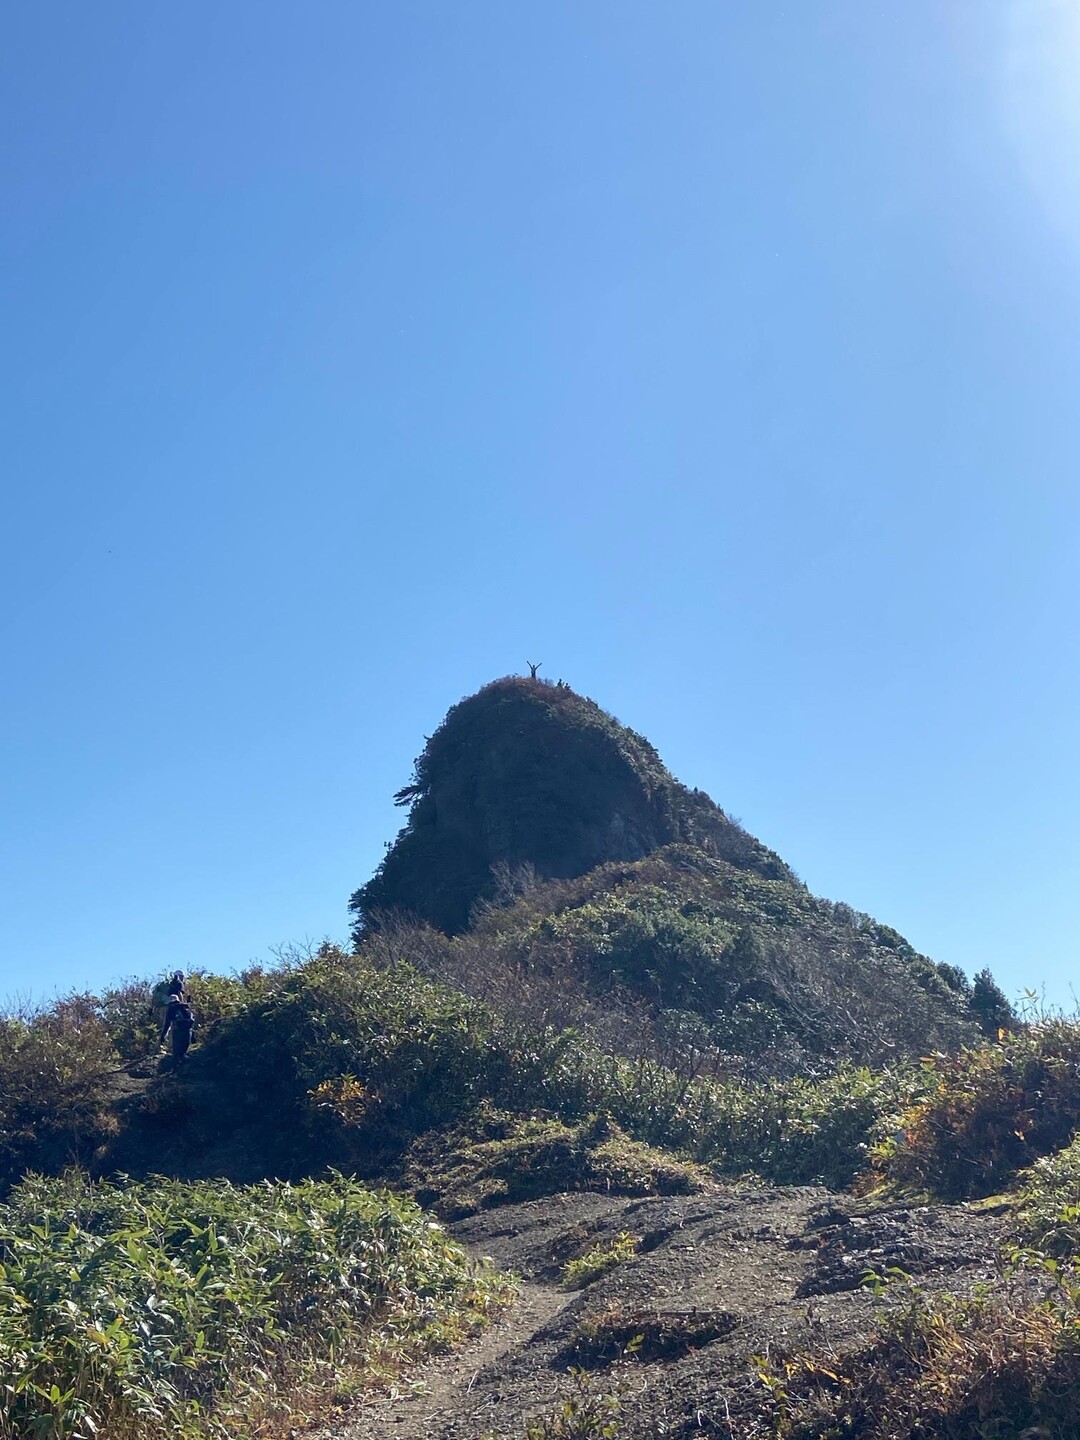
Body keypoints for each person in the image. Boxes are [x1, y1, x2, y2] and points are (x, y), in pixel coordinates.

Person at [160, 993, 195, 1063]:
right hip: (188, 1031)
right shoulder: (185, 1007)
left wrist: (163, 1036)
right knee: (183, 1051)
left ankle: (175, 1066)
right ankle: (184, 1062)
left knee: (176, 1053)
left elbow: (167, 1023)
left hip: (178, 1031)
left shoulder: (171, 1008)